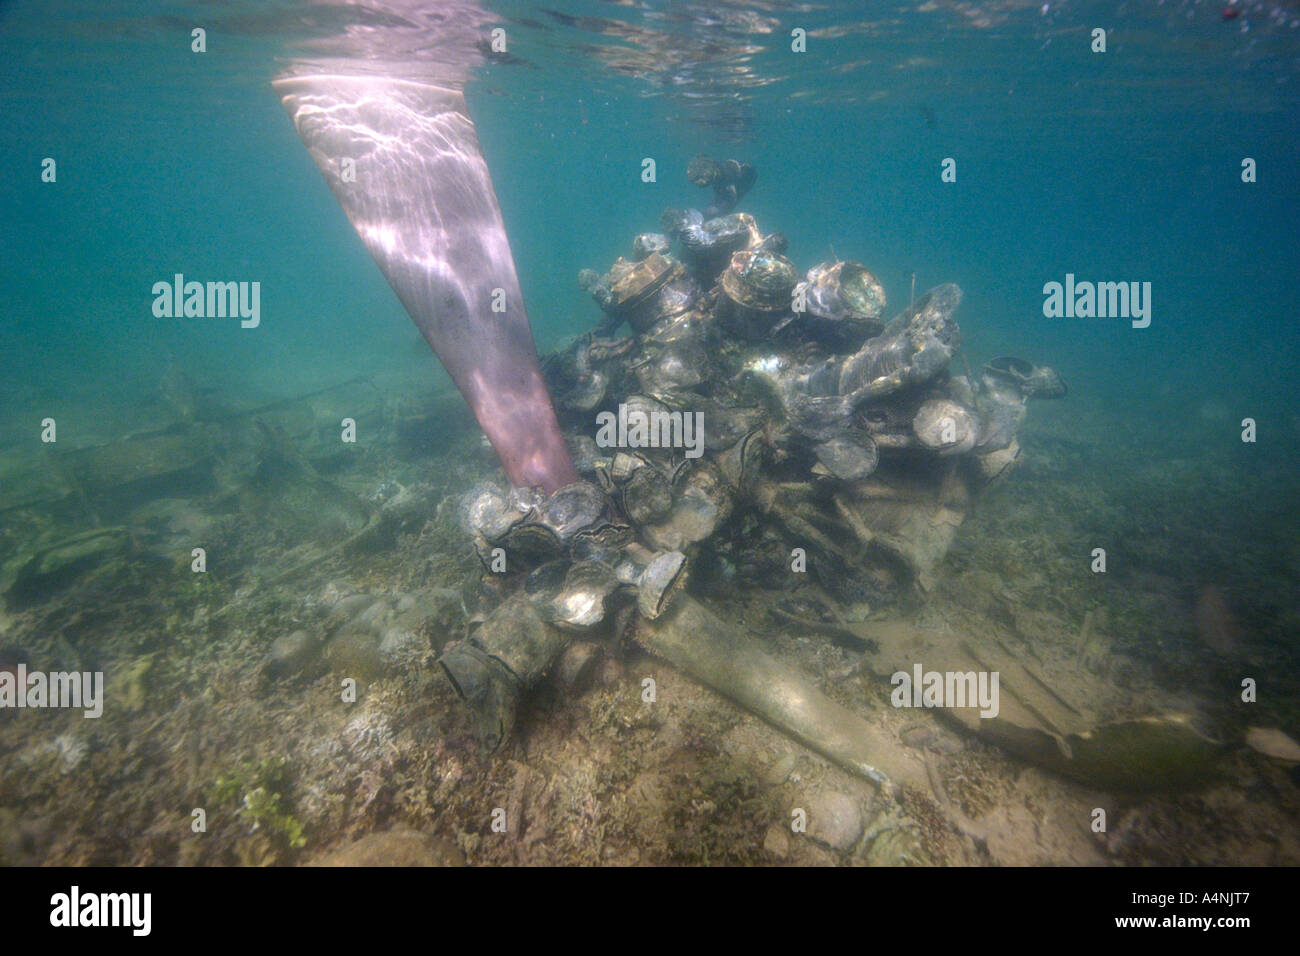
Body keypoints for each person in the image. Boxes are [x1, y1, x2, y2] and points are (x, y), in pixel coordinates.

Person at [686, 154, 756, 217]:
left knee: (724, 207)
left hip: (747, 177)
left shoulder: (726, 182)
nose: (699, 182)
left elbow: (729, 202)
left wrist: (705, 214)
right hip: (737, 173)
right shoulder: (719, 173)